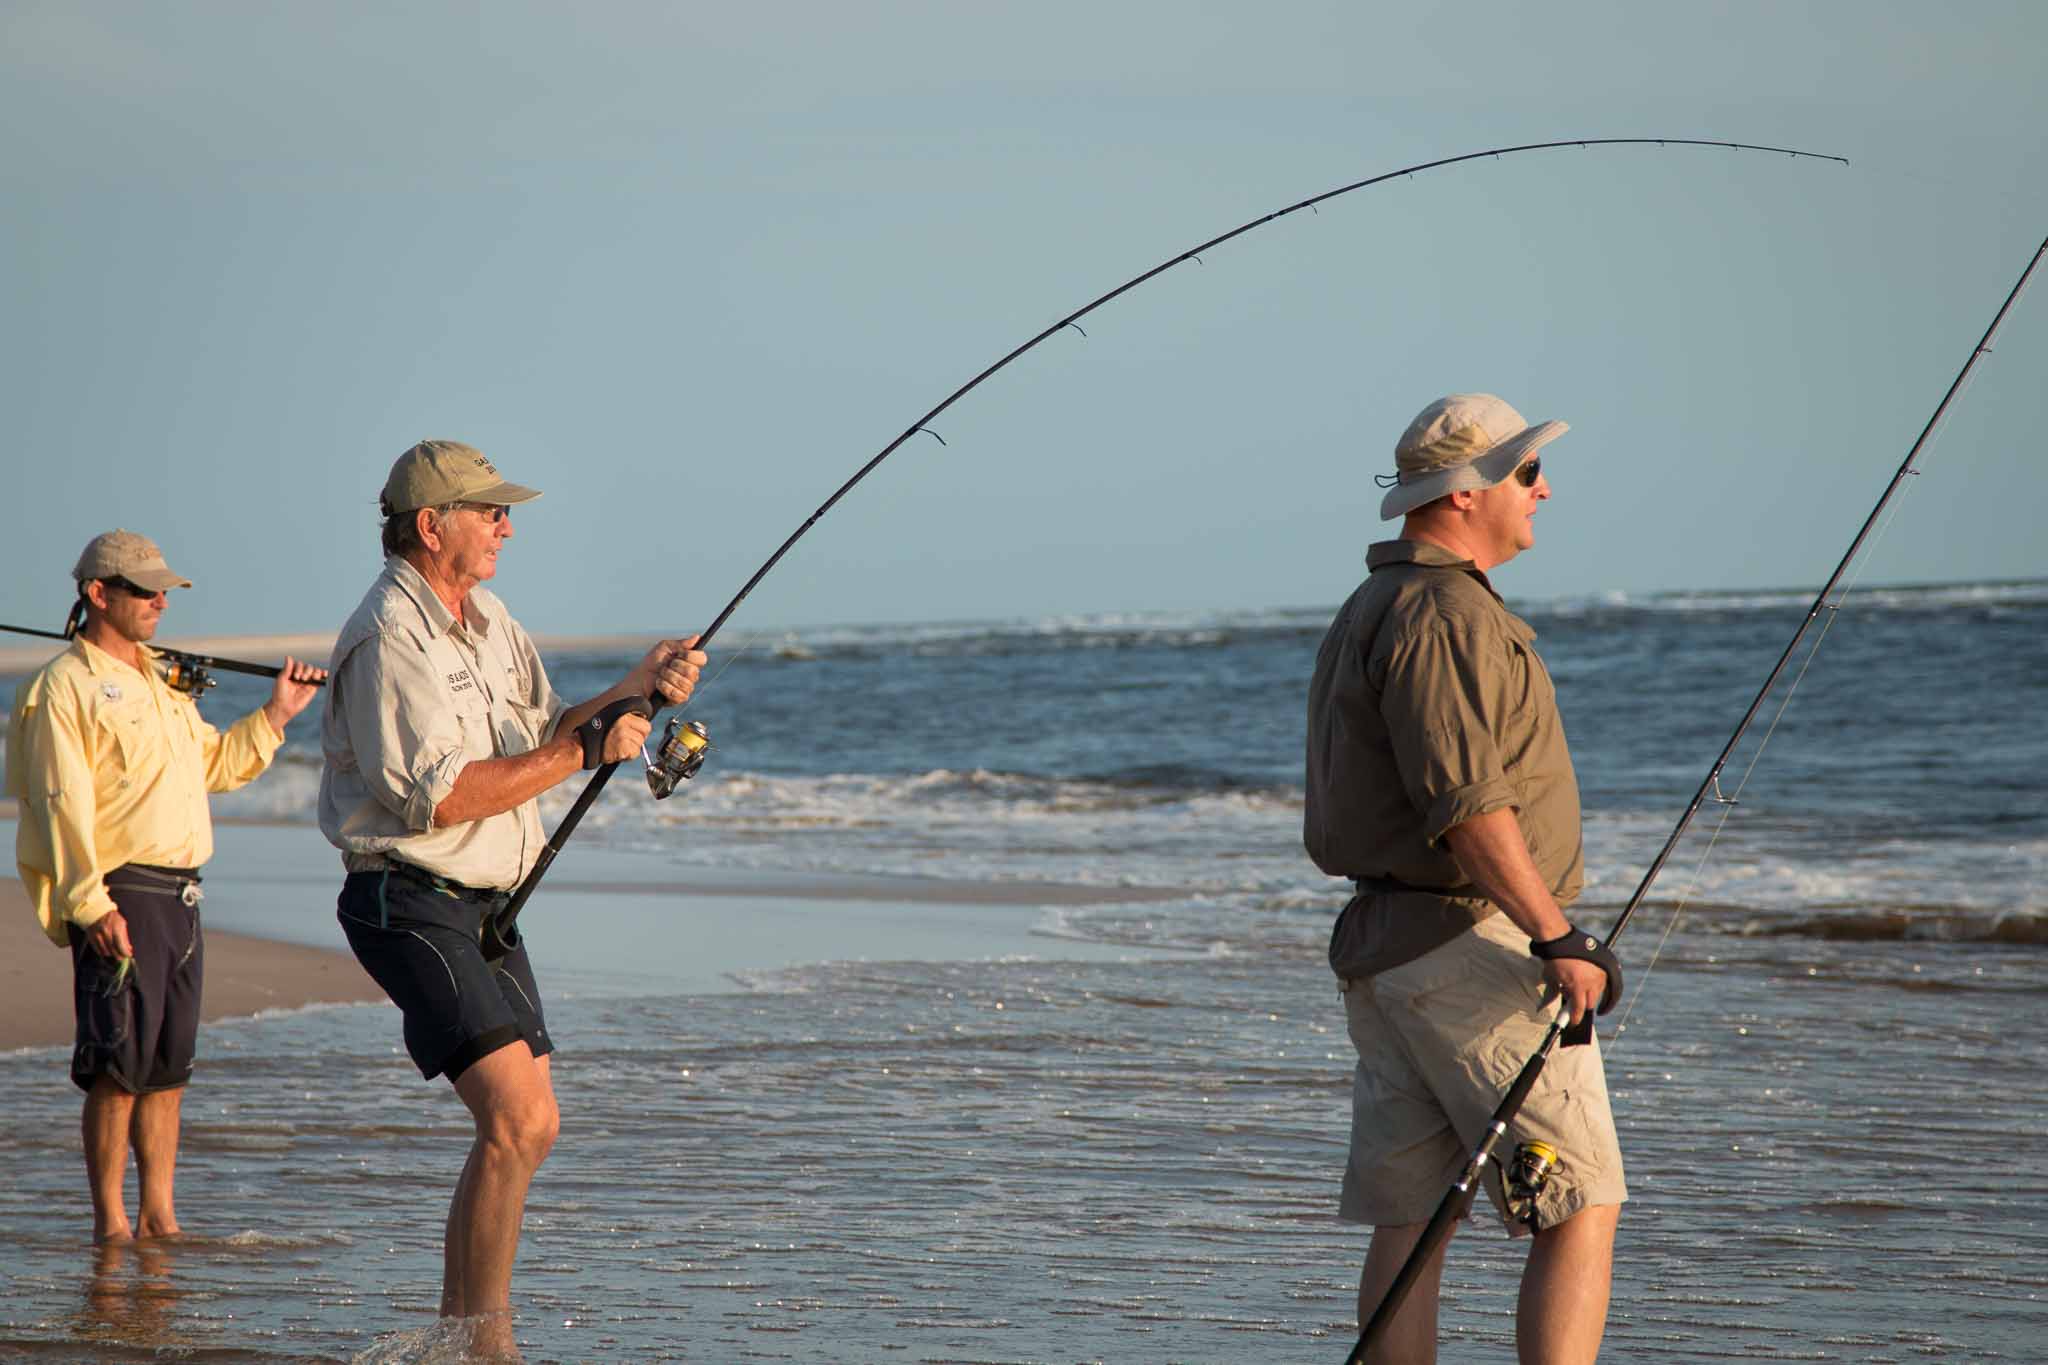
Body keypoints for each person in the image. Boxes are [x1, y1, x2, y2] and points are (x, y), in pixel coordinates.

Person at [318, 439, 706, 1352]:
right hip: (406, 896)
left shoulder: (487, 616)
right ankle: (489, 1344)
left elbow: (544, 728)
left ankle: (459, 1335)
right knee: (517, 1115)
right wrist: (581, 754)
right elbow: (444, 793)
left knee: (530, 1128)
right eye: (489, 510)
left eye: (503, 510)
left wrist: (633, 687)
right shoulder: (388, 636)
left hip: (488, 907)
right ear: (430, 525)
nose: (506, 525)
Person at [1304, 393, 1626, 1364]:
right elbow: (1467, 806)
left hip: (1386, 947)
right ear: (1463, 493)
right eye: (1525, 473)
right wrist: (1556, 937)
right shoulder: (1439, 609)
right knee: (1578, 1202)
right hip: (1459, 948)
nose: (1542, 489)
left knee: (1410, 1223)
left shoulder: (1374, 603)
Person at [6, 529, 325, 1244]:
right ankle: (111, 1226)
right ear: (98, 593)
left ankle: (160, 1215)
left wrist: (276, 715)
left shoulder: (164, 684)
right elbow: (61, 800)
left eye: (163, 590)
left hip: (182, 896)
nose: (158, 600)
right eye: (143, 588)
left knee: (167, 1069)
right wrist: (89, 903)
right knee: (117, 1068)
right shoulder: (64, 688)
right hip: (120, 893)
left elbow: (211, 766)